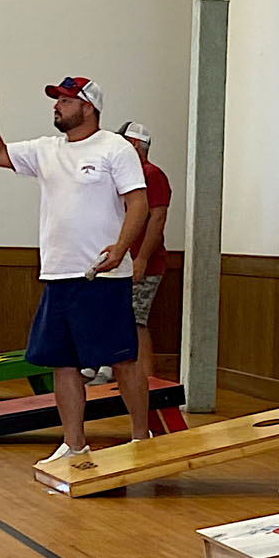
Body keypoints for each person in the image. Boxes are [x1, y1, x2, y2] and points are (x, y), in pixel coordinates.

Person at [0, 76, 150, 462]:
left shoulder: (114, 148)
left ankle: (141, 438)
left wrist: (121, 249)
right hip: (59, 274)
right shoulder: (45, 149)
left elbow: (138, 204)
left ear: (88, 107)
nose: (57, 106)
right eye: (57, 100)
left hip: (103, 275)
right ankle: (74, 445)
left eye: (66, 100)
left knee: (122, 359)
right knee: (63, 361)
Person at [84, 120, 172, 384]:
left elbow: (156, 218)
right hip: (118, 260)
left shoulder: (152, 174)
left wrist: (141, 258)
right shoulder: (124, 174)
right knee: (113, 316)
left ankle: (148, 382)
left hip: (141, 261)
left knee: (136, 321)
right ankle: (104, 367)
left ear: (134, 144)